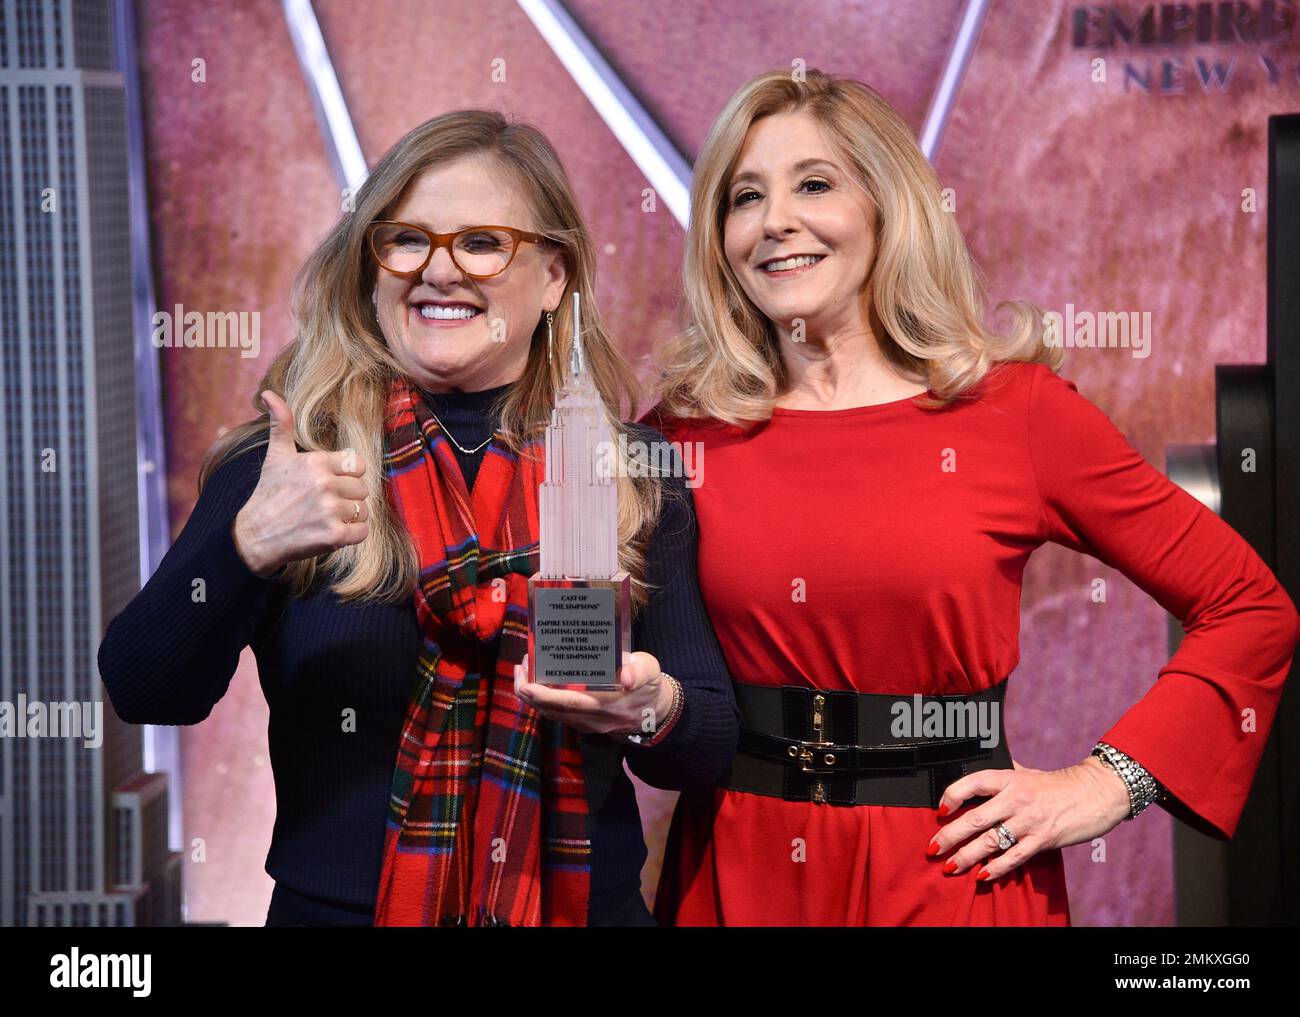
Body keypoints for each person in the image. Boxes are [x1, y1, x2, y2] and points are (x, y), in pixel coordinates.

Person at [647, 69, 1300, 926]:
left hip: (951, 874)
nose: (776, 221)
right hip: (737, 874)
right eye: (744, 196)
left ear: (888, 208)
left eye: (814, 184)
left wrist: (1110, 782)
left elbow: (1250, 604)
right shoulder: (679, 435)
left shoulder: (1013, 412)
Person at [98, 109, 737, 927]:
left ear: (553, 277)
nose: (439, 271)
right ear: (371, 267)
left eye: (480, 242)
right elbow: (144, 687)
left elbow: (708, 741)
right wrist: (245, 547)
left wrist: (651, 706)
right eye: (406, 240)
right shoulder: (292, 463)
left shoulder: (631, 470)